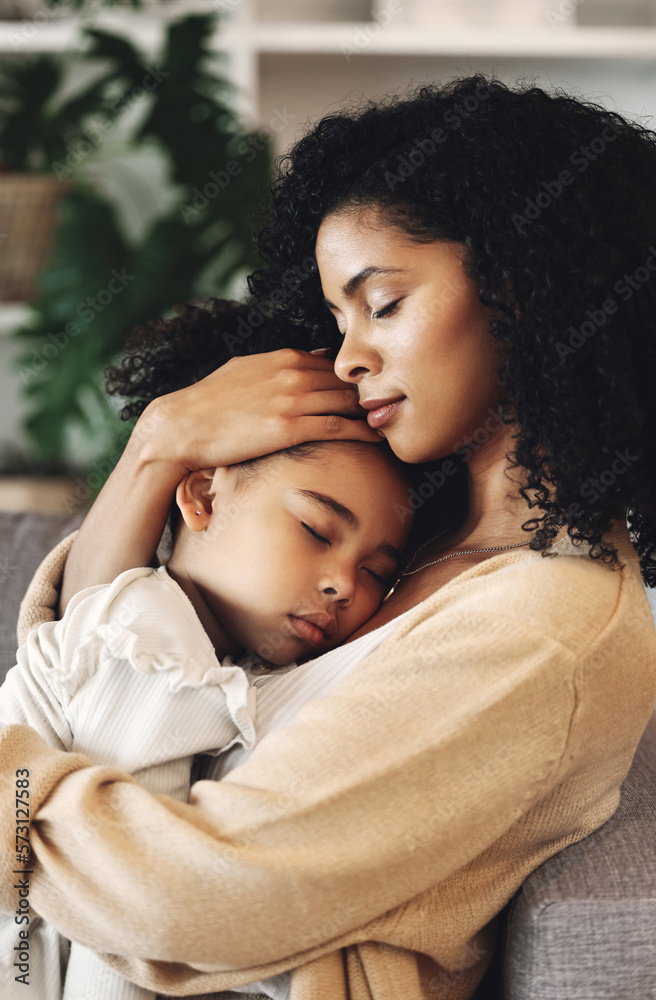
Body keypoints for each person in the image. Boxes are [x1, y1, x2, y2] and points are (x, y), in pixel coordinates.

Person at [1, 74, 656, 1000]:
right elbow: (99, 661)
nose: (349, 357)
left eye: (382, 304)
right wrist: (159, 447)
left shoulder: (554, 625)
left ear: (521, 285)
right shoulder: (405, 526)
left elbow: (203, 896)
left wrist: (12, 793)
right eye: (339, 318)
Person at [0, 431, 414, 1000]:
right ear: (204, 498)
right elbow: (127, 896)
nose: (342, 584)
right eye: (317, 531)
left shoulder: (196, 645)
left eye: (374, 573)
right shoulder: (155, 643)